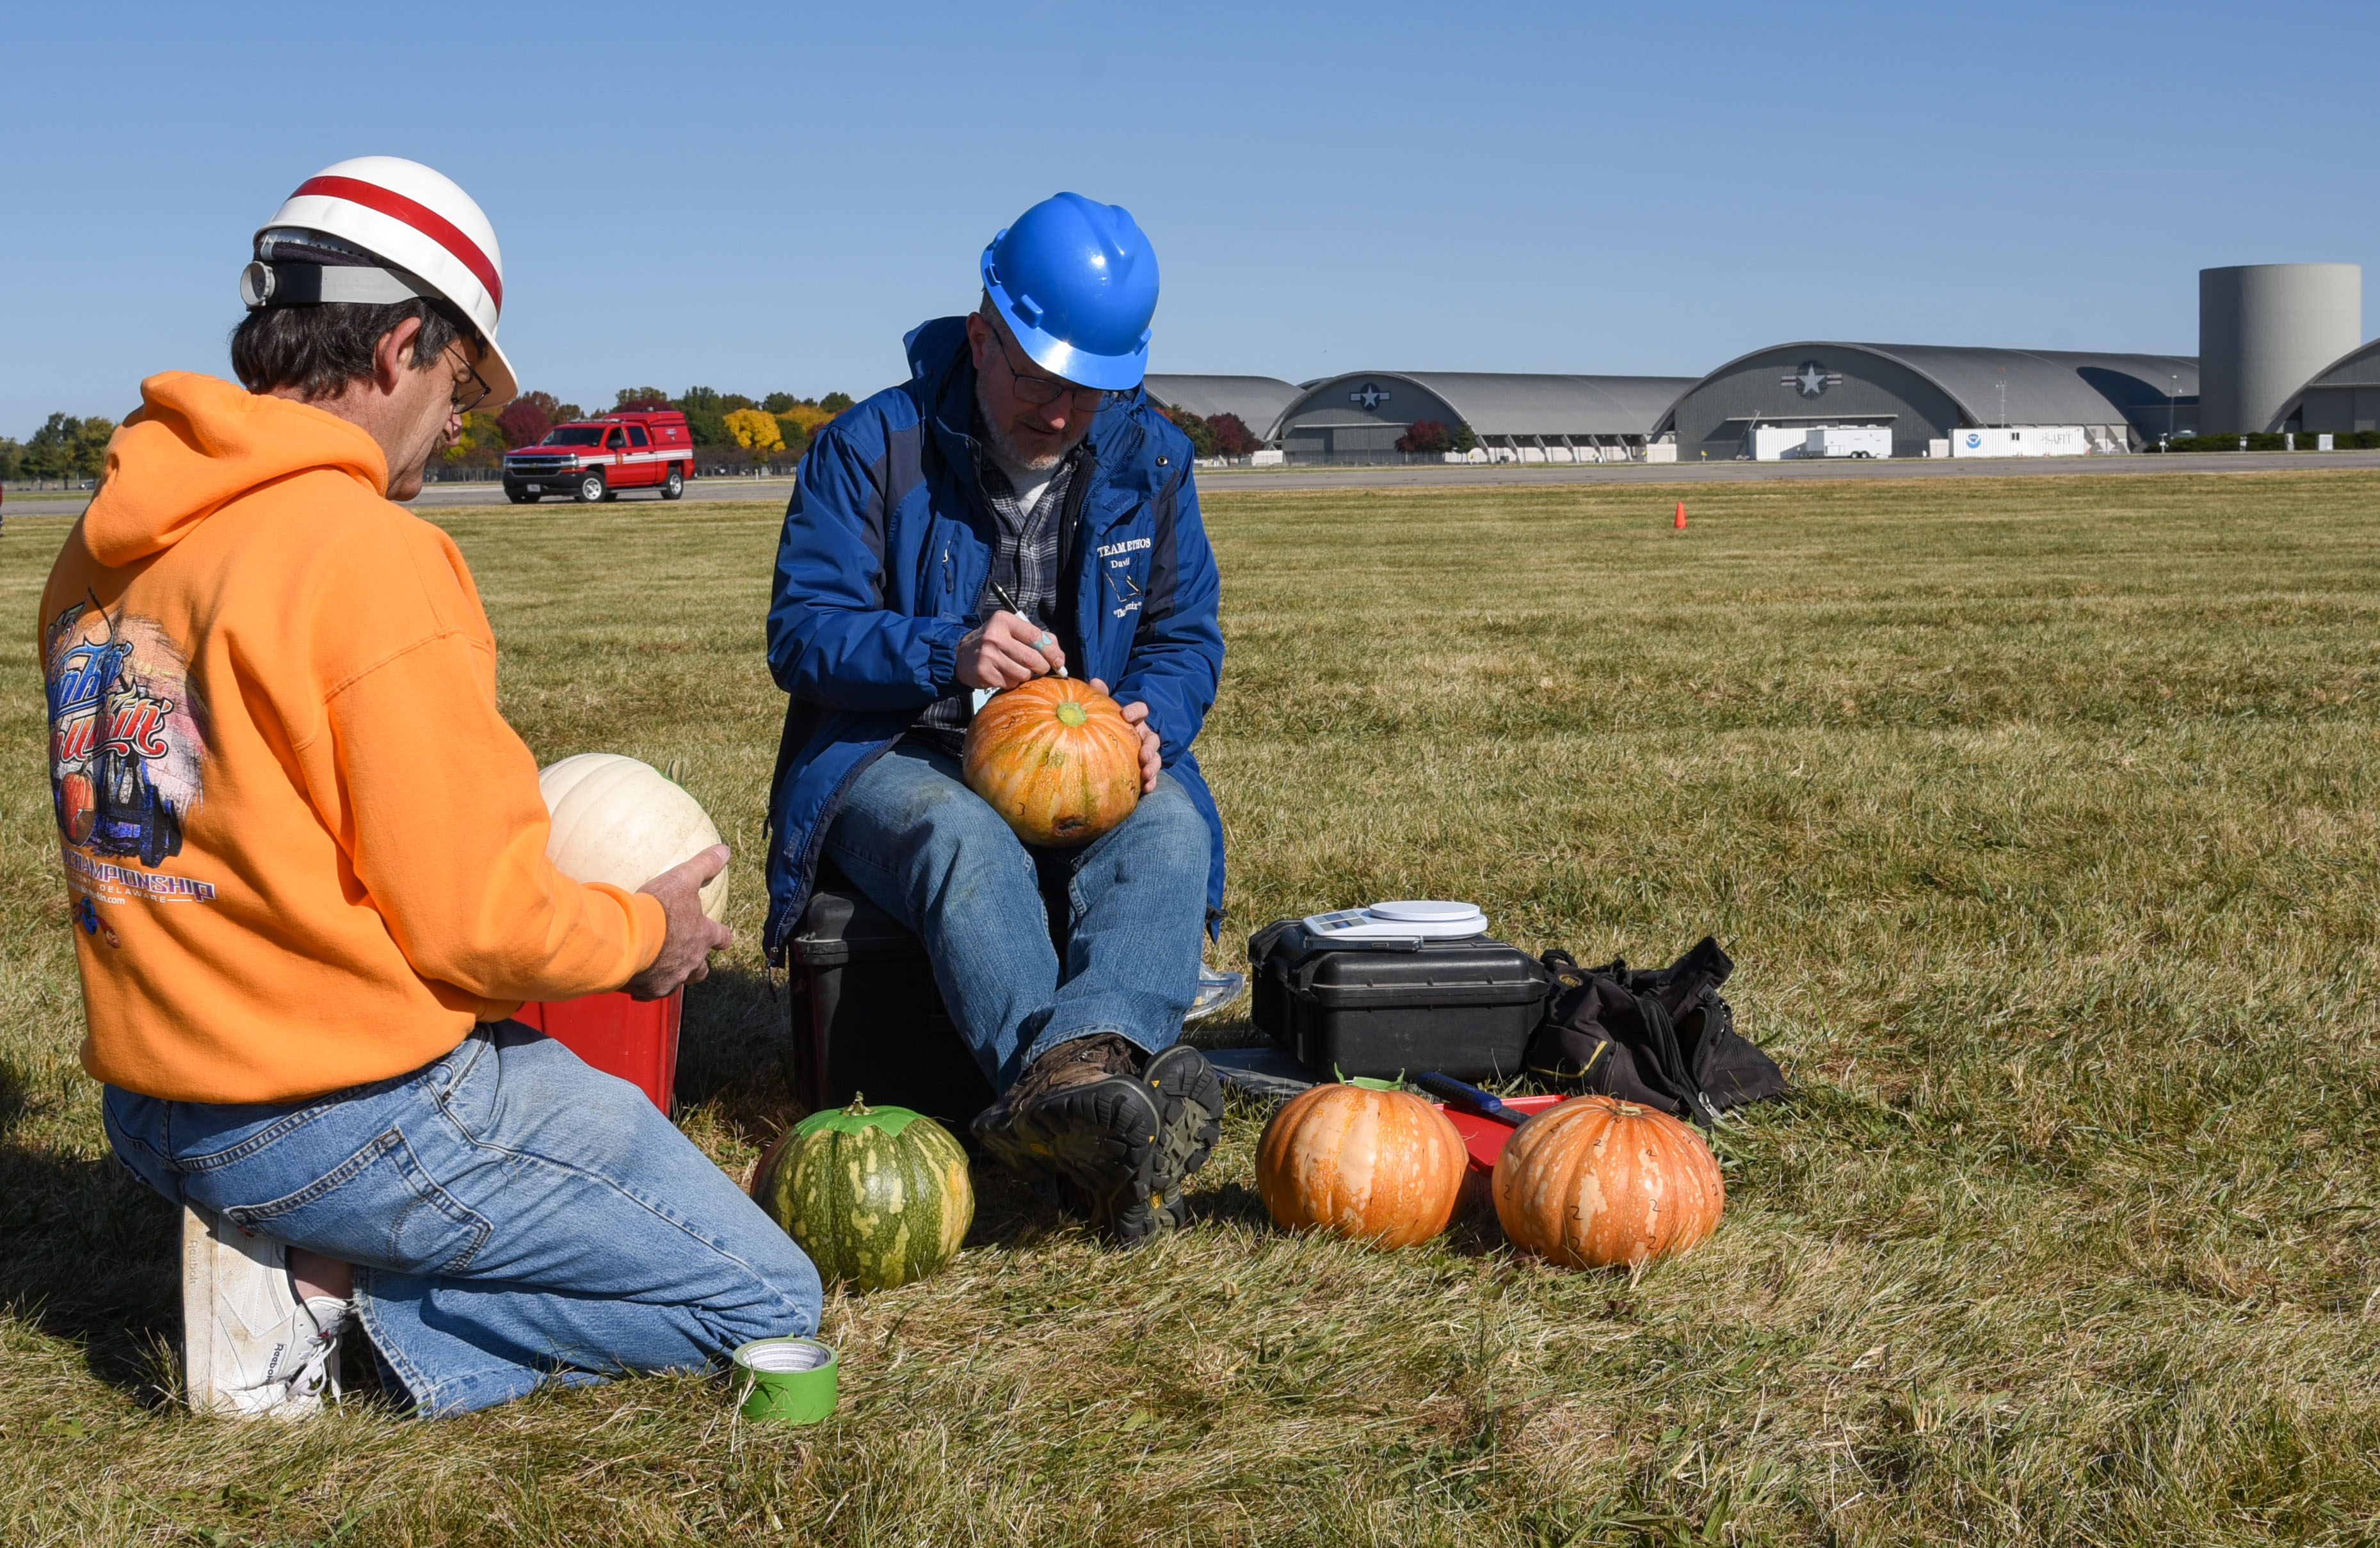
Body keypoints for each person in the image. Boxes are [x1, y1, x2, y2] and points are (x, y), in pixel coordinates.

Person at [41, 157, 819, 1419]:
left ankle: (293, 1243)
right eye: (462, 382)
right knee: (762, 1296)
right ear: (403, 343)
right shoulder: (366, 554)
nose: (459, 423)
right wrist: (645, 931)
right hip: (339, 1112)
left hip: (155, 1105)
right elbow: (480, 924)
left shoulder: (107, 540)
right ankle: (339, 1301)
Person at [766, 193, 1228, 1245]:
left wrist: (1150, 717)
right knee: (961, 839)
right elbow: (802, 632)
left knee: (1168, 832)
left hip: (1079, 743)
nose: (1060, 413)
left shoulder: (1152, 458)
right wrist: (946, 649)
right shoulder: (869, 446)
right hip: (893, 747)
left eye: (1089, 392)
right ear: (982, 334)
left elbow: (1182, 634)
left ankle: (1077, 1101)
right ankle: (1108, 1121)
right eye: (1035, 379)